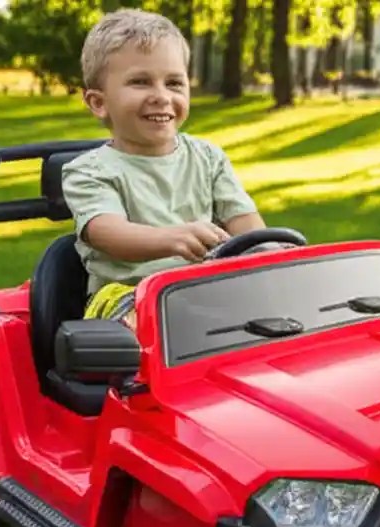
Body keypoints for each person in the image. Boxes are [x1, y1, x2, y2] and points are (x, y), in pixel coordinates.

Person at [62, 8, 267, 331]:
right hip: (125, 295)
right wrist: (173, 238)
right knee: (161, 326)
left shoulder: (208, 158)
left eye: (174, 83)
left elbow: (248, 226)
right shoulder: (88, 171)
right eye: (140, 82)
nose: (161, 96)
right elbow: (107, 233)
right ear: (99, 103)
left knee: (267, 313)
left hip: (200, 286)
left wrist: (271, 254)